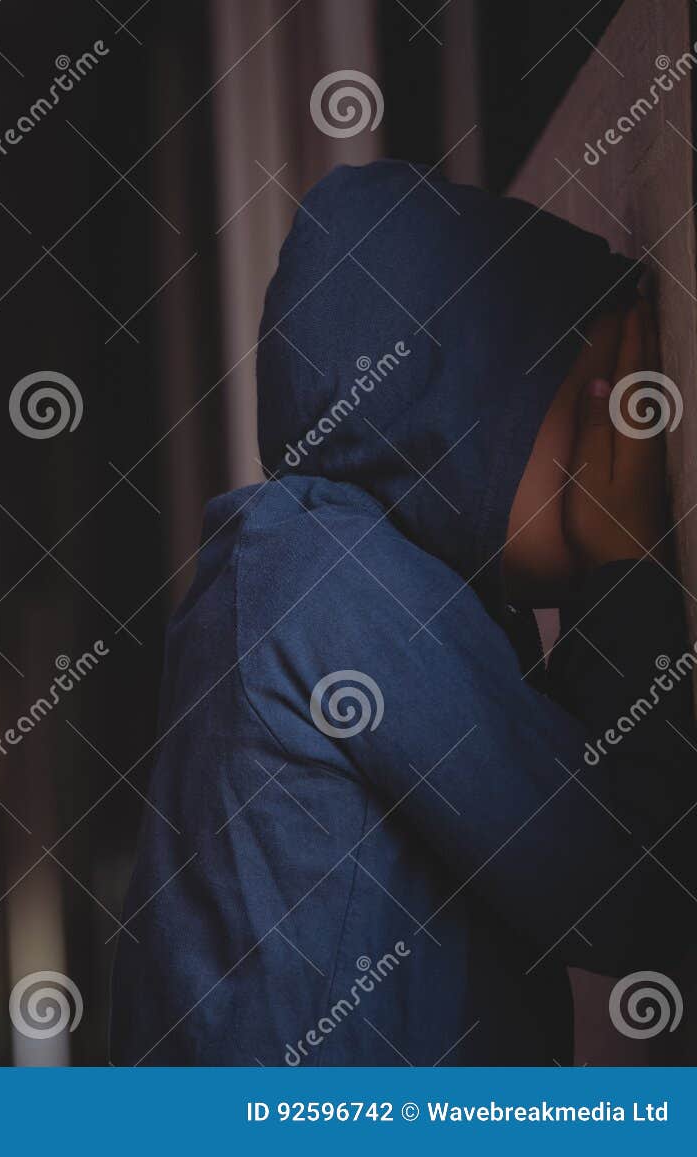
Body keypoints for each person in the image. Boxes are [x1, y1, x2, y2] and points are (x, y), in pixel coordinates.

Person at [111, 160, 696, 1065]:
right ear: (477, 412)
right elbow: (628, 892)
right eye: (594, 403)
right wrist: (624, 566)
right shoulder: (328, 581)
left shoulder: (285, 568)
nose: (623, 443)